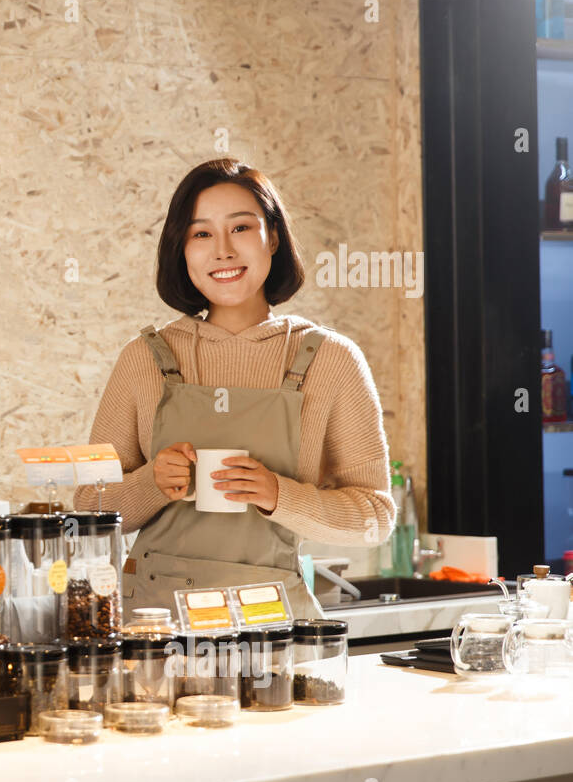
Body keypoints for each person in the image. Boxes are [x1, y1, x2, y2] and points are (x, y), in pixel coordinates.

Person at [73, 158, 394, 618]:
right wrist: (151, 483)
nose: (222, 250)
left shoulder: (331, 360)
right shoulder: (143, 359)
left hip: (271, 627)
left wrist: (277, 495)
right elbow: (87, 507)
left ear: (274, 237)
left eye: (241, 228)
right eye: (201, 233)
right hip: (153, 633)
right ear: (181, 249)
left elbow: (375, 518)